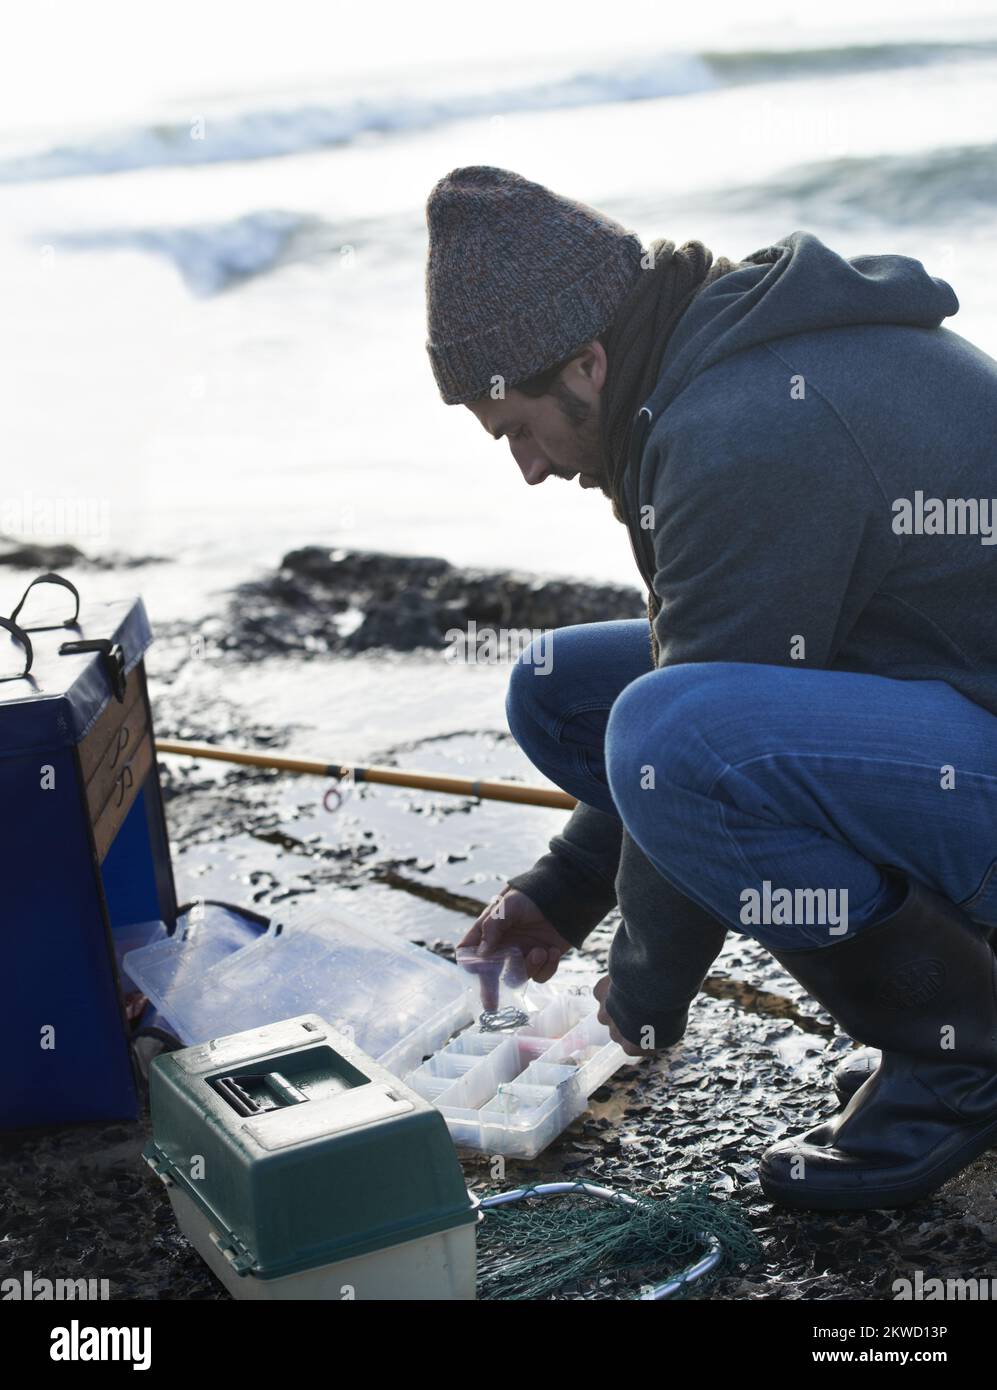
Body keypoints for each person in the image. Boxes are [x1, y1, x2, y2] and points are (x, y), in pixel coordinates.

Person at [423, 165, 997, 1211]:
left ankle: (962, 1054)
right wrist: (562, 892)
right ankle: (959, 984)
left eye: (516, 431)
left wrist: (641, 999)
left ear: (587, 363)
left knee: (667, 732)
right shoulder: (706, 370)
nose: (530, 471)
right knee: (560, 689)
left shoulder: (747, 426)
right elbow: (698, 679)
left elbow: (687, 743)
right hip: (953, 717)